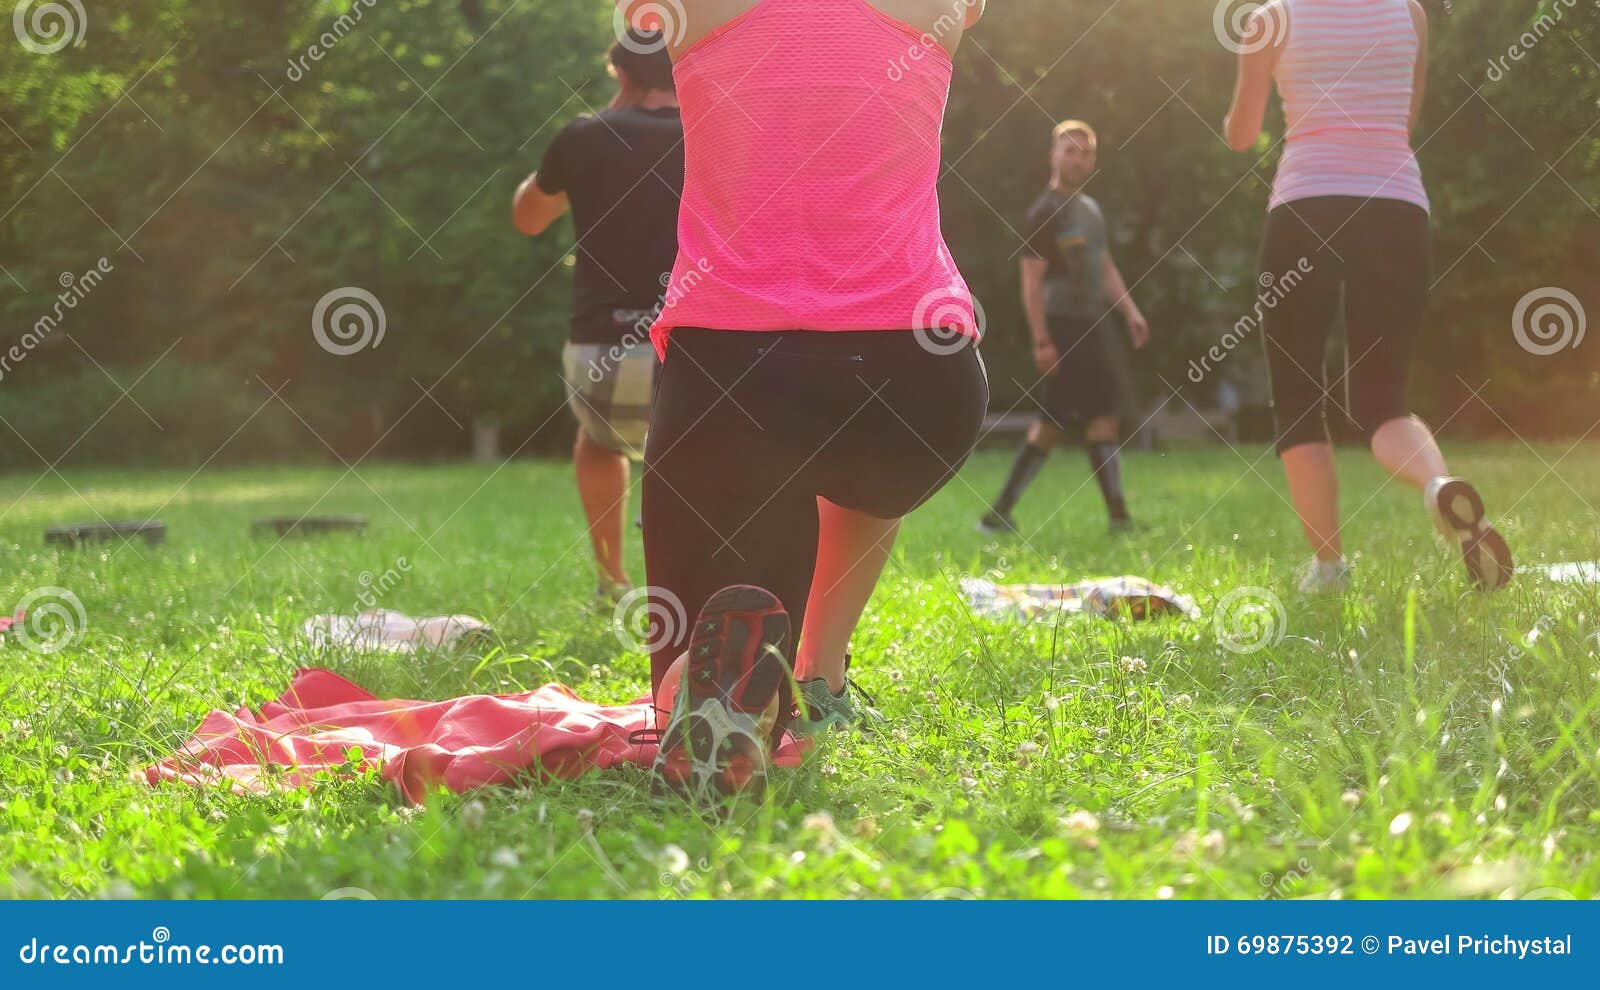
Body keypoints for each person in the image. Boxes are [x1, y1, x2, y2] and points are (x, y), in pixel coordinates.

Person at [627, 0, 990, 801]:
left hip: (732, 375)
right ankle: (818, 676)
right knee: (855, 464)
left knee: (688, 669)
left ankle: (705, 687)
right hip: (918, 379)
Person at [1223, 0, 1512, 593]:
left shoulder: (1270, 18)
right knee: (1383, 403)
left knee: (1299, 399)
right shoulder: (1409, 12)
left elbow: (1241, 134)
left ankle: (1329, 568)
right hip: (1397, 207)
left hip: (1307, 206)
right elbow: (1403, 123)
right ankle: (1438, 487)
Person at [513, 28, 683, 604]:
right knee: (699, 448)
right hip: (694, 349)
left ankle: (613, 582)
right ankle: (686, 584)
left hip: (598, 353)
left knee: (597, 442)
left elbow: (528, 217)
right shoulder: (714, 134)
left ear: (622, 74)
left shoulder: (582, 137)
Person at [979, 120, 1151, 537]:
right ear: (1053, 156)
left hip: (1093, 325)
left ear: (1093, 159)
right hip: (1062, 327)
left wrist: (1129, 310)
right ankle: (1001, 515)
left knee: (1085, 419)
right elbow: (1031, 281)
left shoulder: (1091, 210)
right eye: (1069, 151)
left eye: (1085, 152)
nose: (1077, 159)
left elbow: (1103, 264)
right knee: (1072, 421)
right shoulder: (1044, 212)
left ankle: (1114, 518)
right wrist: (1041, 339)